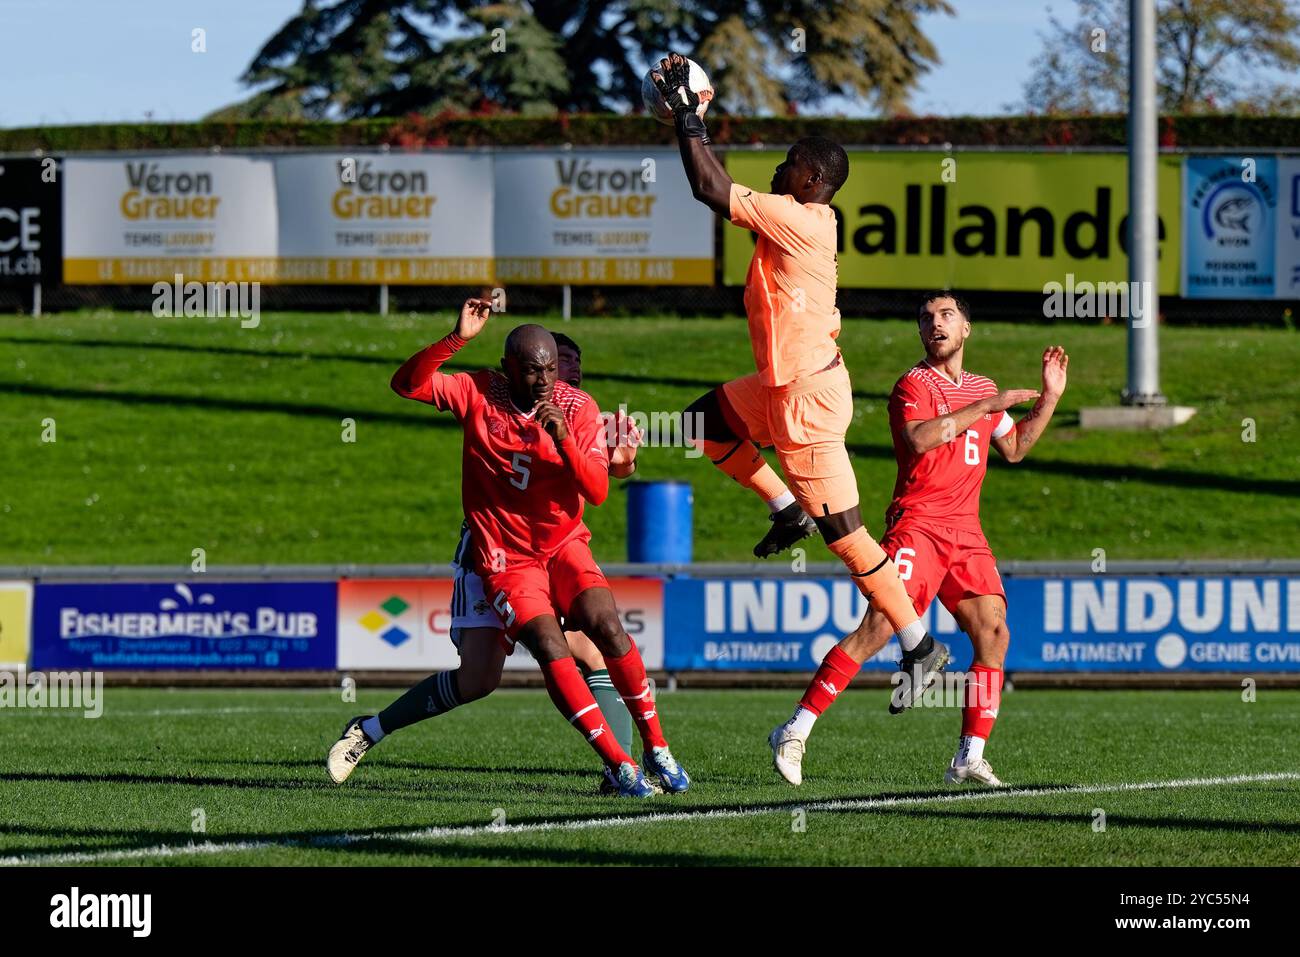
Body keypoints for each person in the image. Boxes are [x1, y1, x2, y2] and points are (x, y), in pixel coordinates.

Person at [652, 52, 944, 687]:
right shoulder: (796, 217)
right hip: (784, 386)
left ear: (809, 178)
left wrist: (688, 118)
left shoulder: (803, 219)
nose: (776, 170)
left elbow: (709, 187)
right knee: (702, 422)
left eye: (786, 163)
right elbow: (720, 188)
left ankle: (919, 644)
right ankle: (787, 509)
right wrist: (692, 119)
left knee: (846, 534)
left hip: (807, 399)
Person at [328, 299, 687, 797]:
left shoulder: (579, 410)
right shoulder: (479, 392)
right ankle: (369, 730)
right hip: (498, 556)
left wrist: (585, 445)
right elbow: (406, 383)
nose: (551, 384)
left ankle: (633, 762)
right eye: (539, 371)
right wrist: (456, 338)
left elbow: (602, 486)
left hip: (560, 547)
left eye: (557, 373)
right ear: (509, 370)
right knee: (481, 678)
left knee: (601, 635)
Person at [769, 292, 1068, 787]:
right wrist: (987, 406)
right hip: (919, 525)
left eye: (947, 315)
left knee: (994, 633)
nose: (936, 324)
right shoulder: (915, 383)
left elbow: (1013, 449)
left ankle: (969, 757)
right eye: (927, 318)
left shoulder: (981, 386)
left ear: (966, 328)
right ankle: (794, 730)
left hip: (967, 532)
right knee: (881, 626)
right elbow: (920, 439)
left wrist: (1051, 397)